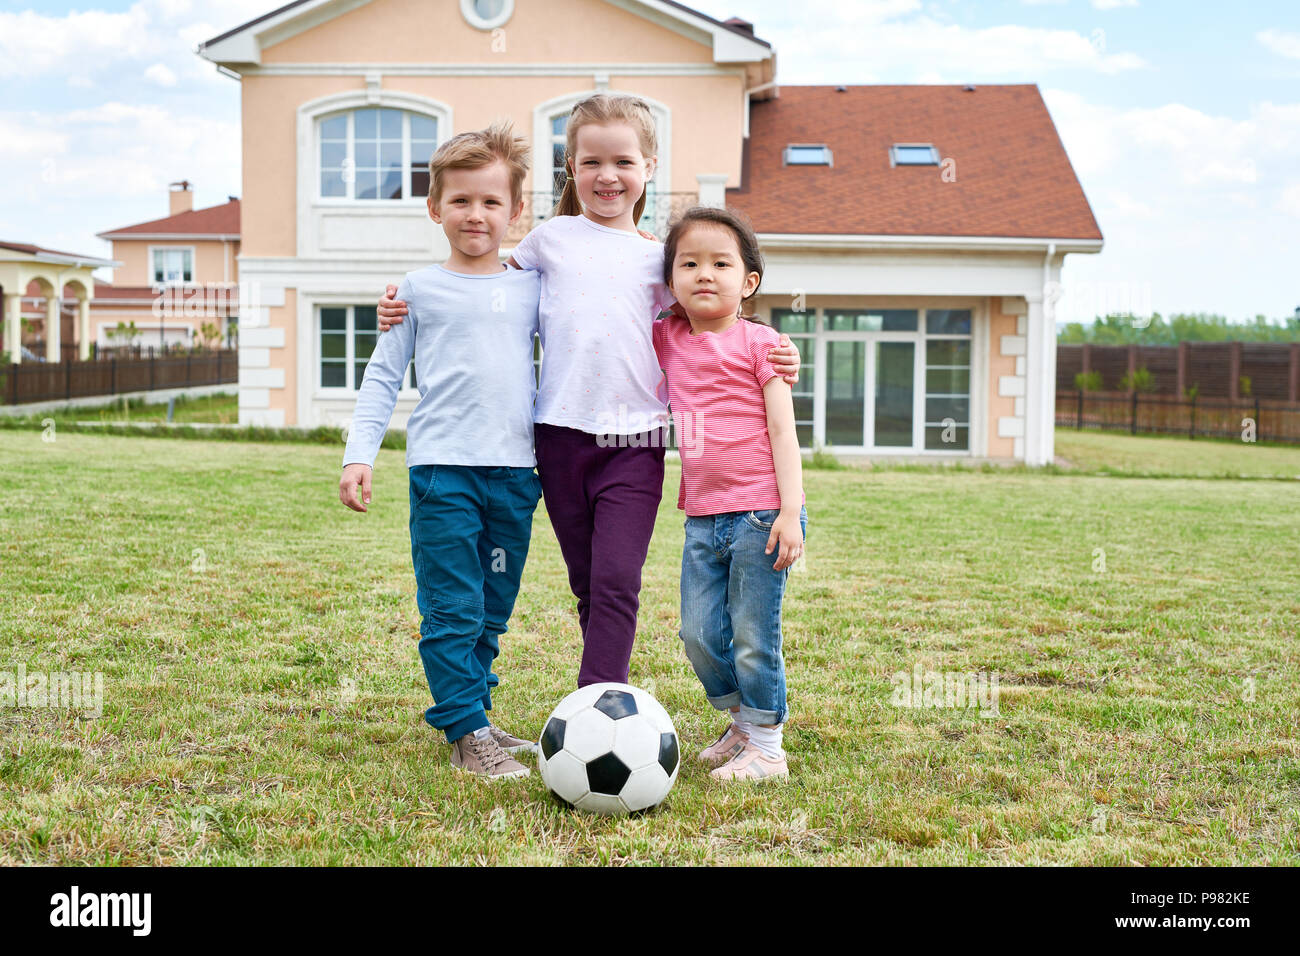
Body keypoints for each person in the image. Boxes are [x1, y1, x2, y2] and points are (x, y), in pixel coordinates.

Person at [377, 93, 801, 689]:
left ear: (649, 167)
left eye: (624, 162)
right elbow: (483, 283)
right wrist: (407, 302)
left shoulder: (661, 262)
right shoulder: (549, 241)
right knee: (587, 583)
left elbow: (715, 317)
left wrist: (775, 346)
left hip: (636, 443)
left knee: (617, 583)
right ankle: (599, 697)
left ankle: (600, 702)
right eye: (591, 162)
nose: (608, 176)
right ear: (571, 170)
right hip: (558, 440)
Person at [338, 122, 542, 781]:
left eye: (490, 202)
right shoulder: (415, 291)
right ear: (435, 209)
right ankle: (464, 732)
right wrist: (358, 454)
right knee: (451, 604)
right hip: (442, 476)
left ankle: (475, 709)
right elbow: (382, 375)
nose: (475, 214)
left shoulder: (533, 286)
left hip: (515, 475)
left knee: (491, 605)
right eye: (460, 200)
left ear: (516, 210)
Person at [653, 206, 806, 782]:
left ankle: (767, 746)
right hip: (700, 515)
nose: (704, 274)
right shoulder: (667, 336)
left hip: (761, 514)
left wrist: (790, 512)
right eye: (689, 263)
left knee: (752, 632)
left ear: (749, 283)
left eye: (721, 263)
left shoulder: (762, 343)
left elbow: (782, 431)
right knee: (698, 633)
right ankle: (742, 722)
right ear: (670, 279)